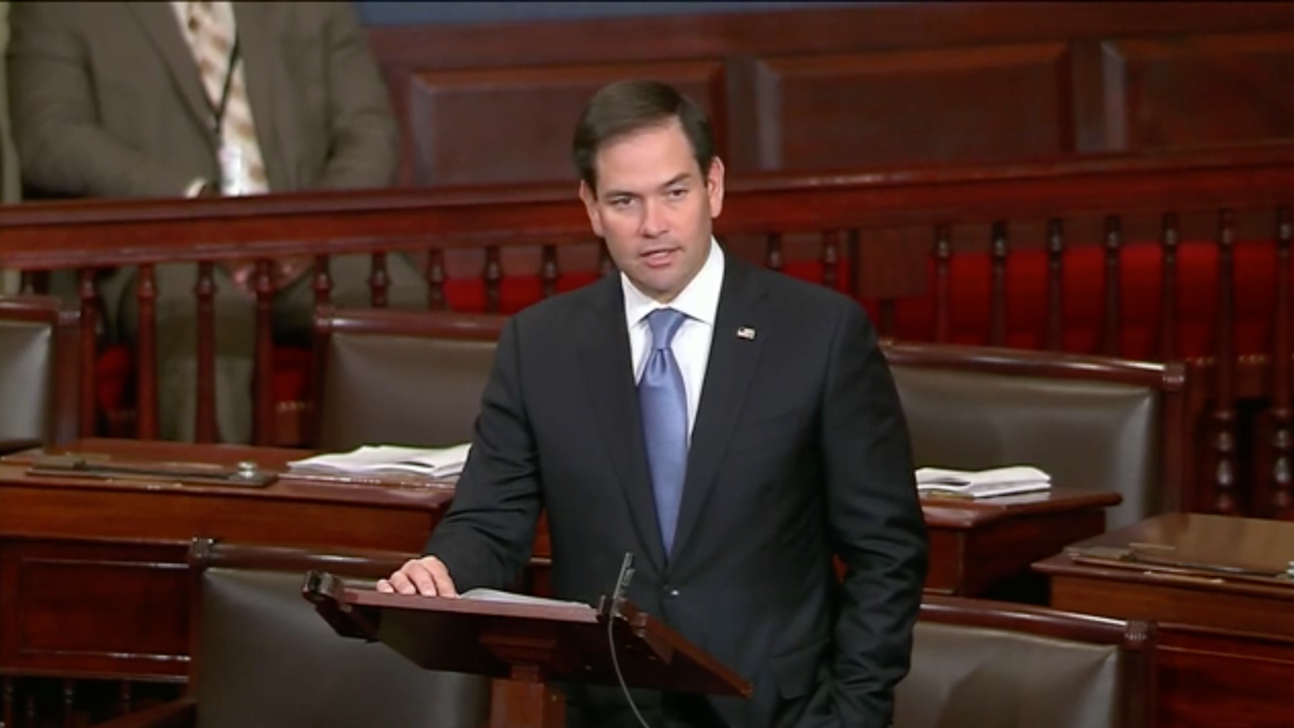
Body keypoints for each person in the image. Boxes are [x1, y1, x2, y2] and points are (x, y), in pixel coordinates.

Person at [379, 80, 928, 728]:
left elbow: (887, 551)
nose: (653, 226)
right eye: (624, 201)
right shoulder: (542, 345)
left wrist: (852, 716)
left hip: (779, 712)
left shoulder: (820, 335)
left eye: (674, 192)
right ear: (590, 207)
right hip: (609, 709)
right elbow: (490, 521)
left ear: (714, 187)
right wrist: (440, 569)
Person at [5, 1, 425, 442]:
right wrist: (199, 208)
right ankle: (216, 511)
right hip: (165, 250)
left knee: (408, 313)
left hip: (308, 243)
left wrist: (305, 230)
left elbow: (369, 131)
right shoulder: (61, 8)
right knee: (203, 336)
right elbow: (49, 138)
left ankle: (426, 506)